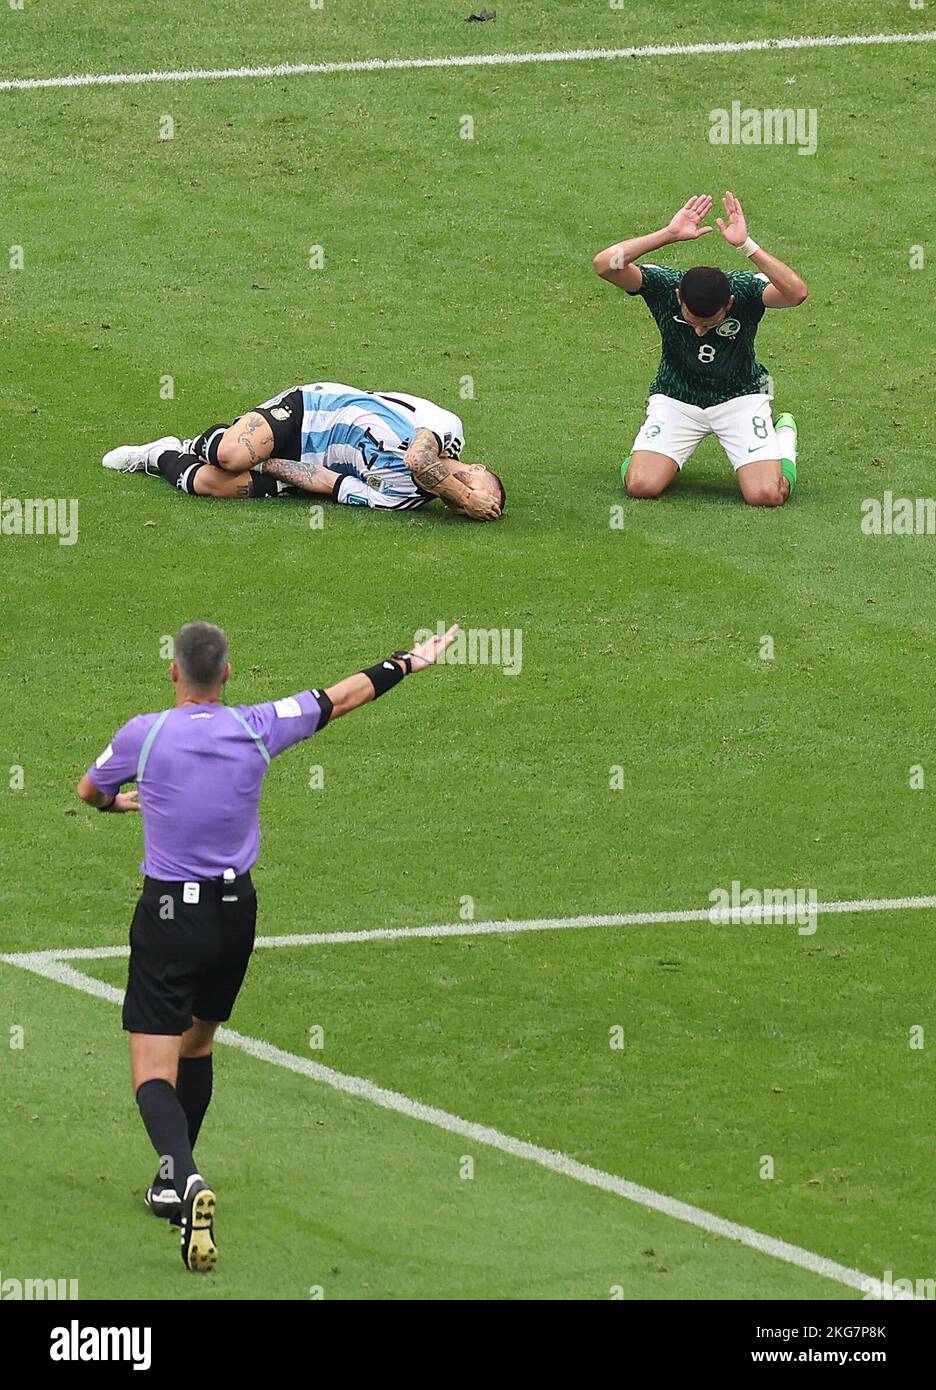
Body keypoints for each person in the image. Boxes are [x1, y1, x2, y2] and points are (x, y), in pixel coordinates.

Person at [75, 618, 459, 1271]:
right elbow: (342, 697)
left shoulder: (145, 734)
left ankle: (185, 1178)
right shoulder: (259, 723)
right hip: (236, 915)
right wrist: (408, 661)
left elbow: (90, 791)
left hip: (170, 914)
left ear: (174, 672)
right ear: (227, 674)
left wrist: (117, 806)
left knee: (151, 1071)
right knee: (198, 1043)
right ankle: (172, 1182)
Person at [593, 192, 808, 506]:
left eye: (709, 324)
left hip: (739, 398)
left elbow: (797, 293)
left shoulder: (745, 291)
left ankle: (783, 437)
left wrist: (747, 246)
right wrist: (668, 234)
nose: (698, 331)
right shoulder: (665, 286)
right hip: (676, 398)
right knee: (640, 486)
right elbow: (604, 265)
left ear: (729, 303)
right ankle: (650, 456)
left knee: (766, 495)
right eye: (692, 321)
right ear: (679, 297)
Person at [102, 381, 504, 520]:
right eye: (487, 489)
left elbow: (329, 482)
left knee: (207, 484)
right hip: (310, 410)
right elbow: (420, 461)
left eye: (487, 503)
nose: (482, 497)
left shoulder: (402, 501)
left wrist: (271, 466)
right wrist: (468, 497)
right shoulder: (447, 430)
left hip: (305, 464)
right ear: (479, 467)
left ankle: (160, 454)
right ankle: (195, 444)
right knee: (230, 457)